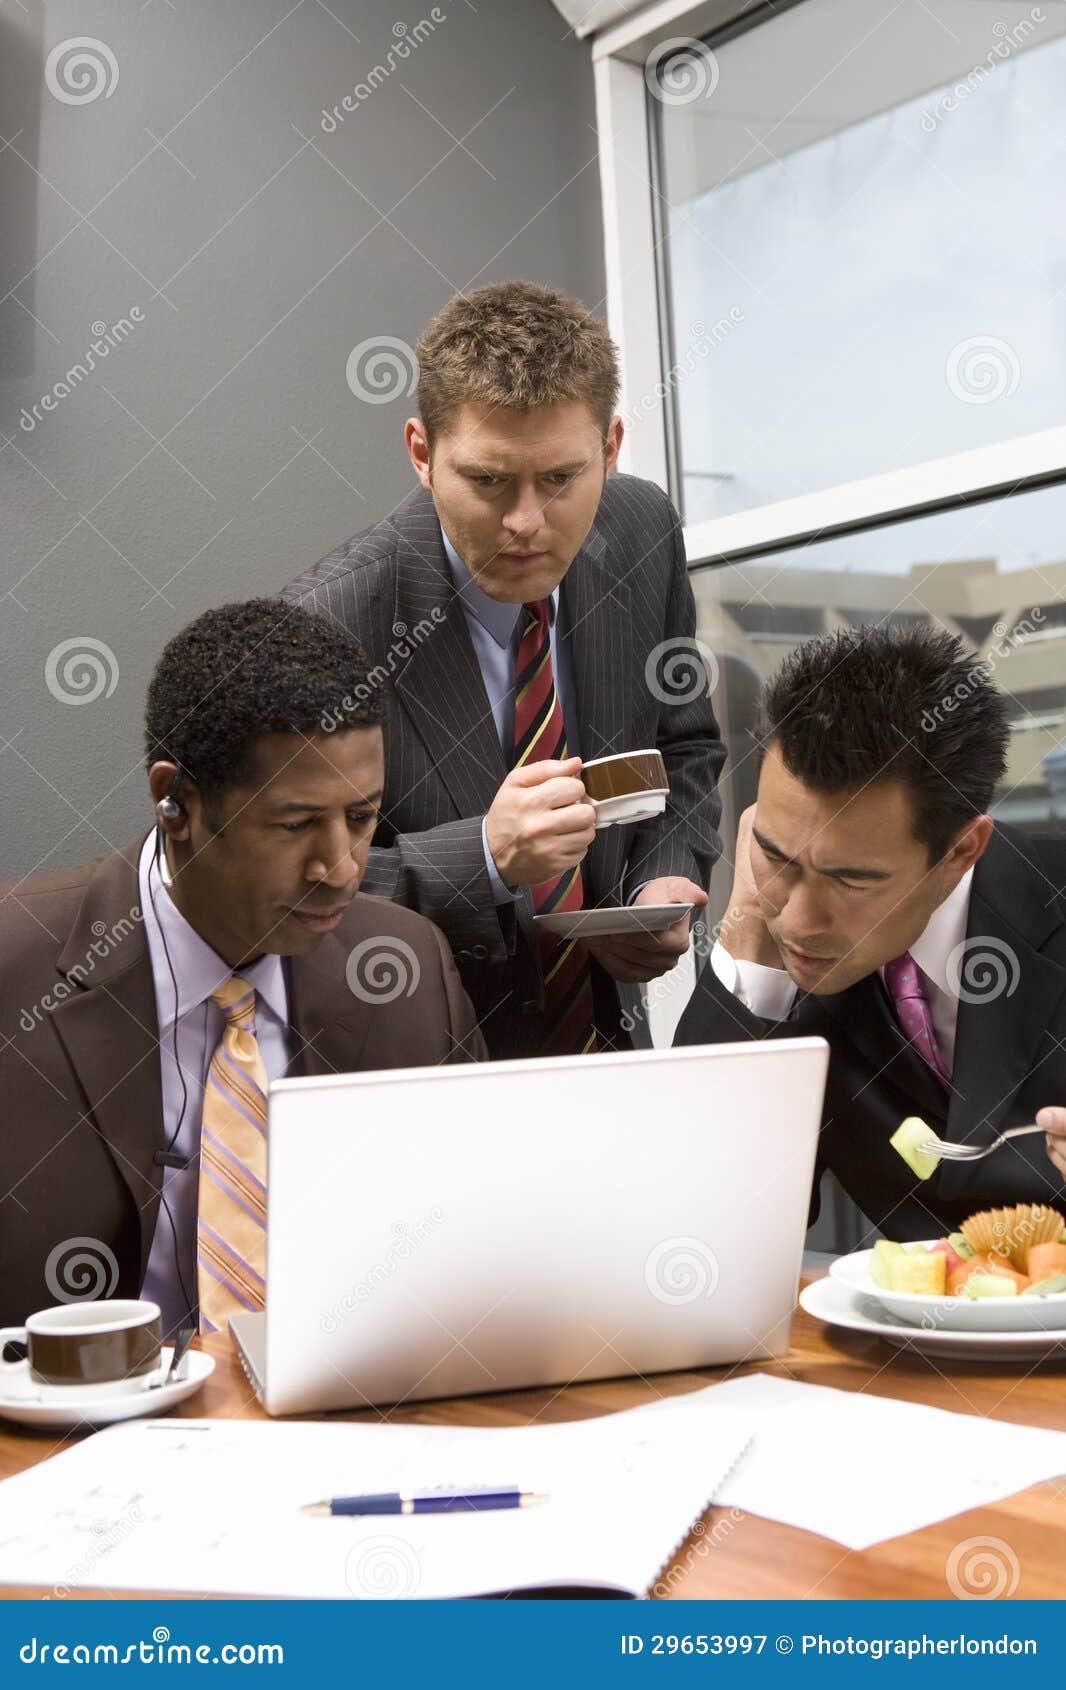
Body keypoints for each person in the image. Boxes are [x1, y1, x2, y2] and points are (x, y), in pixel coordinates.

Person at [0, 599, 485, 1334]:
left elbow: (475, 1249)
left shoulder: (408, 969)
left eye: (361, 818)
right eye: (296, 826)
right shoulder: (14, 969)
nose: (342, 867)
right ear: (177, 802)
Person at [284, 280, 725, 1060]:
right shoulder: (326, 626)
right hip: (414, 1071)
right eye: (488, 481)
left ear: (611, 448)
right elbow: (287, 887)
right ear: (422, 453)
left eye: (561, 478)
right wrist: (481, 859)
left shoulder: (644, 529)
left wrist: (659, 882)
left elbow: (684, 749)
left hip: (610, 1055)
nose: (526, 521)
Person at [675, 623, 1066, 1241]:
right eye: (776, 855)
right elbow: (701, 1223)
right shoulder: (781, 975)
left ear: (962, 850)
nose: (800, 923)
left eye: (852, 881)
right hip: (888, 1337)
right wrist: (748, 931)